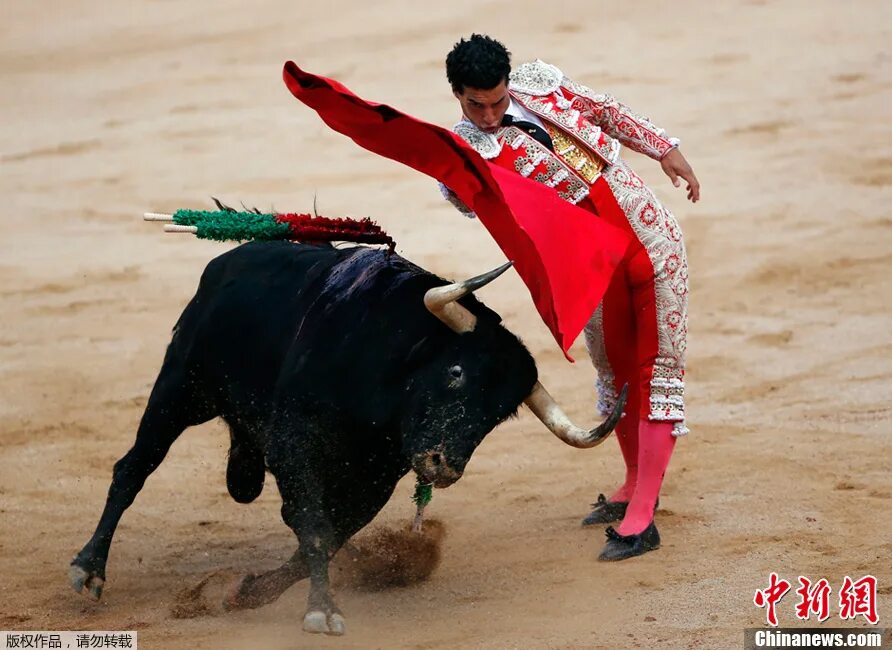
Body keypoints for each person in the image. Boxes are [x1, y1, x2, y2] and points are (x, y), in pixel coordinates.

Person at [441, 34, 699, 561]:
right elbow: (471, 204)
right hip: (588, 263)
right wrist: (455, 176)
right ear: (457, 96)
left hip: (649, 235)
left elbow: (606, 111)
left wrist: (665, 148)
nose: (489, 116)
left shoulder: (542, 85)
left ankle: (642, 515)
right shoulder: (466, 151)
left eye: (496, 101)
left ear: (508, 83)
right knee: (615, 368)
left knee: (656, 368)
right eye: (476, 105)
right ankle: (632, 483)